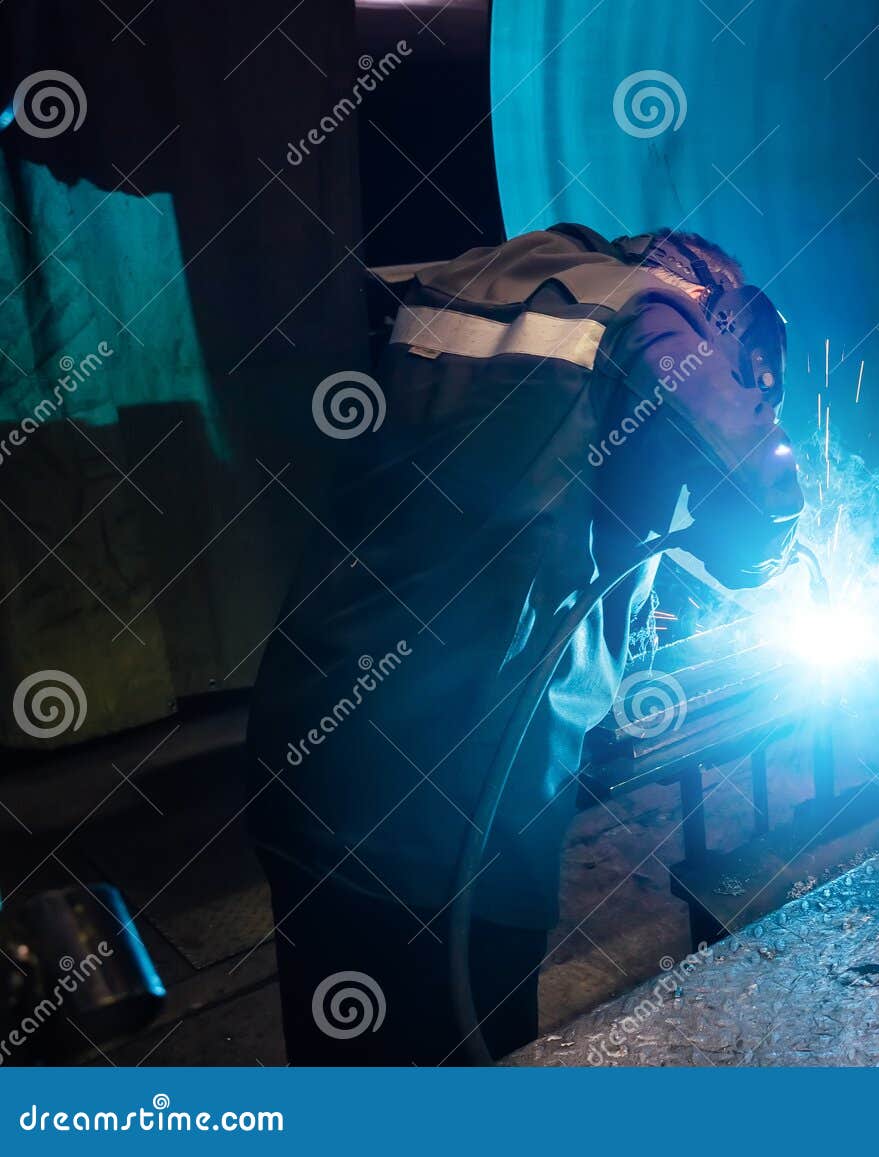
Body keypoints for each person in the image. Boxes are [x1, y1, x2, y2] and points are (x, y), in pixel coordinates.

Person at [244, 223, 802, 1064]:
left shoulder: (497, 280)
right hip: (451, 802)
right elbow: (755, 492)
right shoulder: (656, 311)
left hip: (309, 735)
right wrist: (764, 535)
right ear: (706, 293)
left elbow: (506, 492)